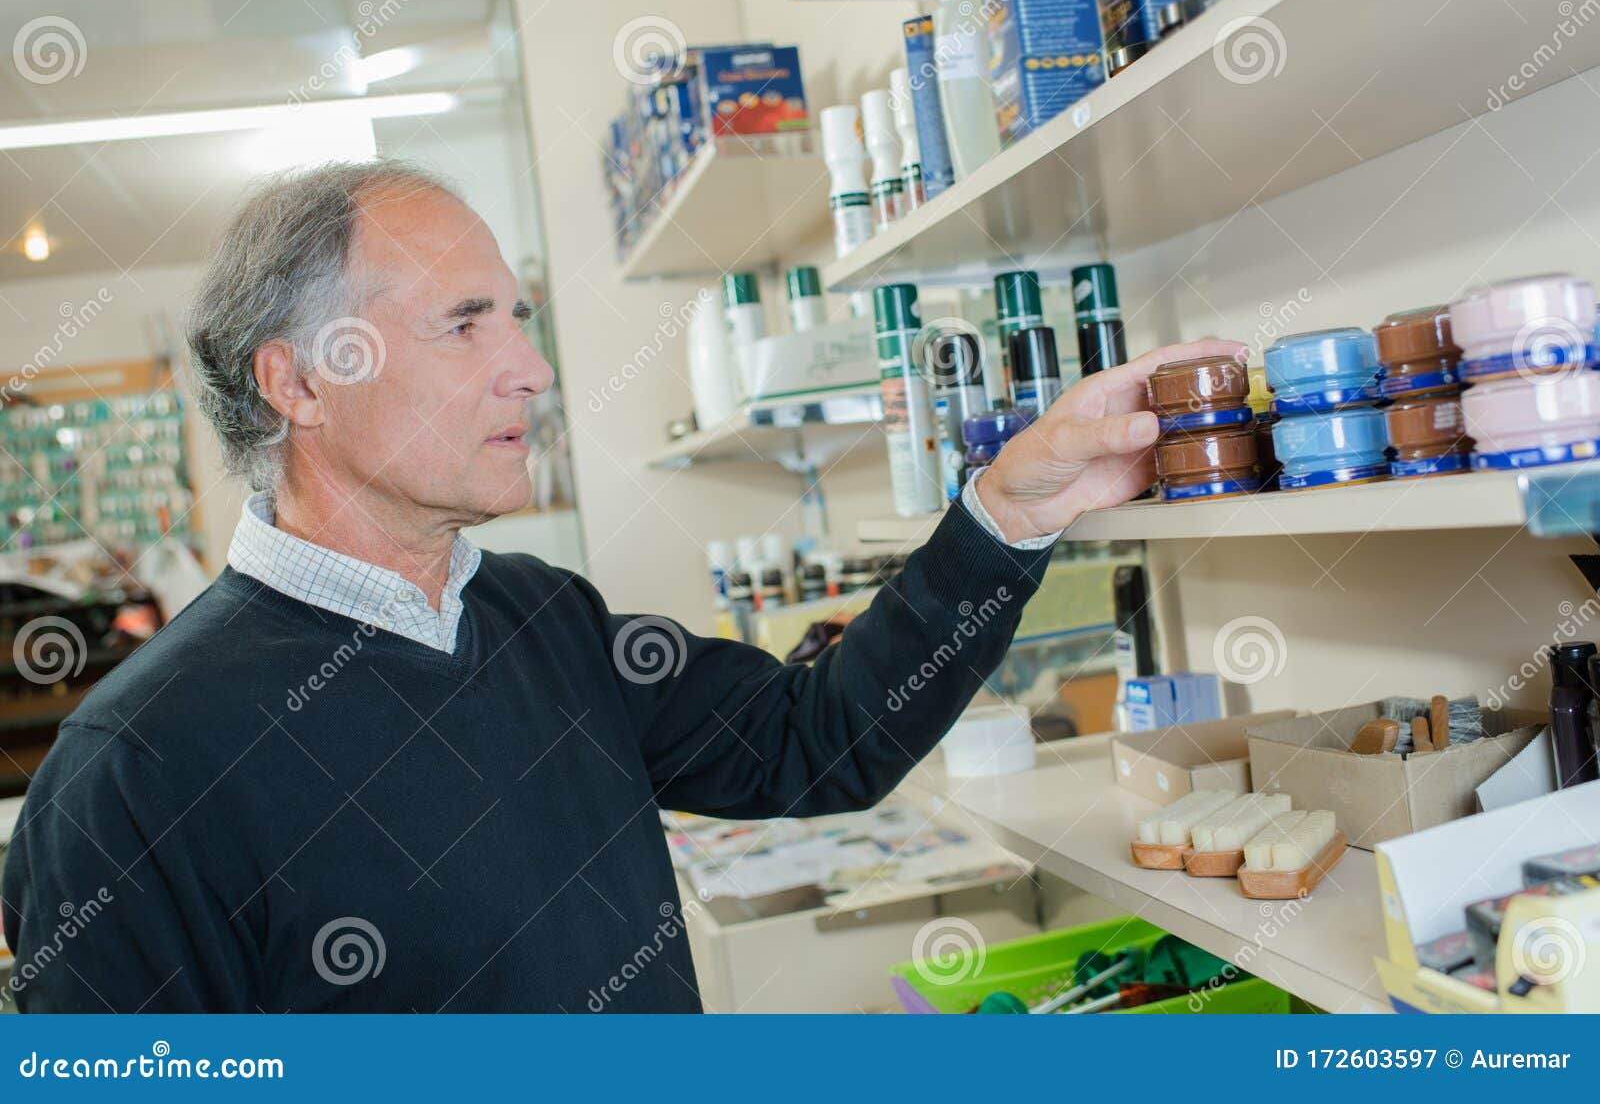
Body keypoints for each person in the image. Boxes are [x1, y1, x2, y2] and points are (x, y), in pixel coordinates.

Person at [1, 161, 1243, 1012]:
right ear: (299, 382)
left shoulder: (540, 618)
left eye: (522, 319)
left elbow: (817, 744)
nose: (533, 369)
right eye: (466, 324)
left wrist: (1009, 513)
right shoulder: (135, 770)